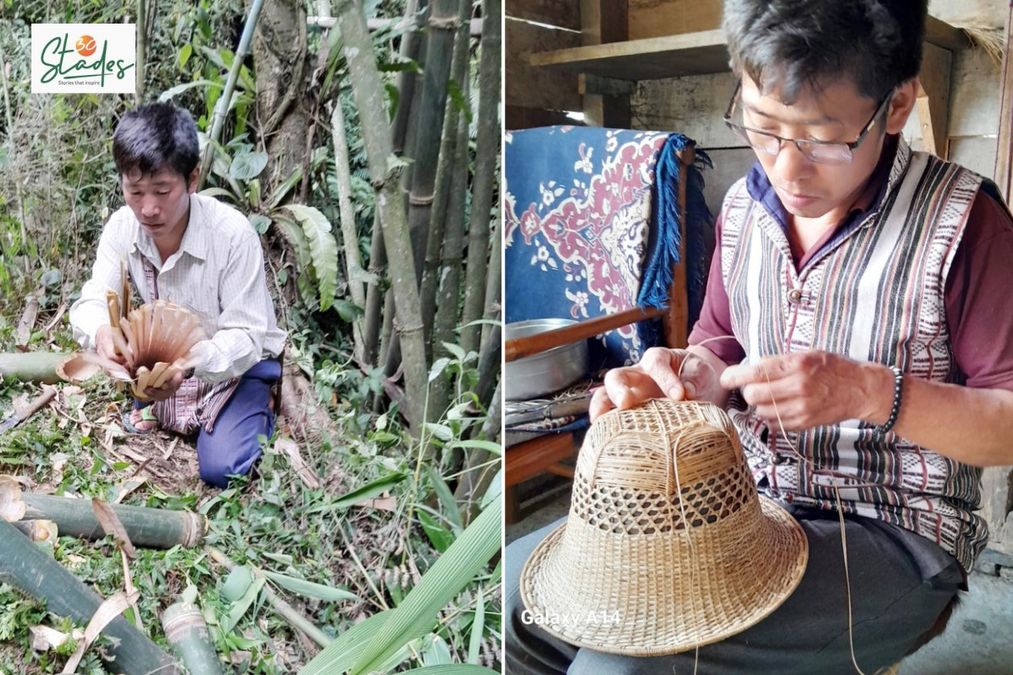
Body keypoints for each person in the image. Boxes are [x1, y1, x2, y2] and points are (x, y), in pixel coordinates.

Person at [505, 1, 1013, 672]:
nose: (786, 169)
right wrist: (692, 377)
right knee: (517, 592)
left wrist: (866, 390)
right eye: (762, 128)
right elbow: (720, 342)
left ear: (894, 107)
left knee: (627, 656)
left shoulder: (963, 221)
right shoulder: (746, 206)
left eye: (821, 137)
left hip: (893, 531)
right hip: (742, 498)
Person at [69, 102, 286, 488]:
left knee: (224, 468)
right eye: (134, 191)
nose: (148, 208)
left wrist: (187, 364)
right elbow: (90, 302)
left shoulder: (232, 235)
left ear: (193, 179)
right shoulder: (122, 228)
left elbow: (249, 336)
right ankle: (169, 404)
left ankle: (259, 403)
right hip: (166, 362)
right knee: (142, 379)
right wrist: (102, 333)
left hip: (237, 363)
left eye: (163, 190)